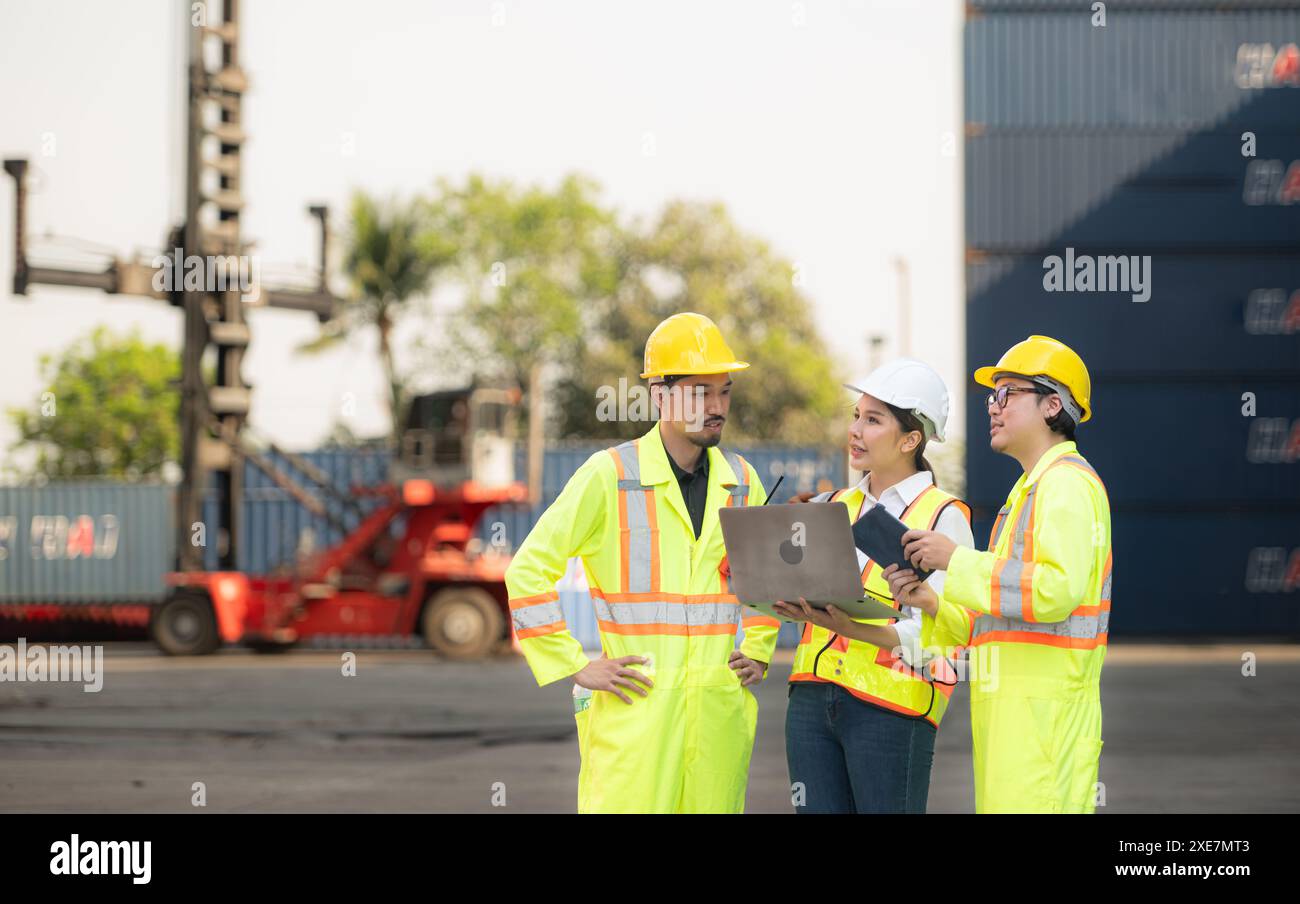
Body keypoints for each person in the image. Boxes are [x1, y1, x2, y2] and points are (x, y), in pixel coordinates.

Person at [504, 312, 780, 813]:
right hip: (637, 719)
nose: (716, 407)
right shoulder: (608, 475)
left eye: (724, 391)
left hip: (716, 717)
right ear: (659, 395)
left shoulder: (742, 481)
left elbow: (760, 578)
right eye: (700, 392)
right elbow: (527, 570)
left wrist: (759, 647)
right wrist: (573, 665)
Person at [885, 335, 1112, 814]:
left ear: (1054, 405)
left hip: (1043, 727)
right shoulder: (1028, 492)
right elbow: (996, 619)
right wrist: (931, 600)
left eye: (1007, 393)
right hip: (1019, 723)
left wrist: (955, 560)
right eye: (993, 395)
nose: (994, 406)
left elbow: (1055, 591)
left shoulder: (1066, 484)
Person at [772, 359, 973, 813]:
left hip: (891, 711)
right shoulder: (833, 506)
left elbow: (945, 639)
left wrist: (854, 628)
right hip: (810, 702)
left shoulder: (944, 517)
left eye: (873, 420)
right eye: (856, 415)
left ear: (910, 439)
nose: (855, 430)